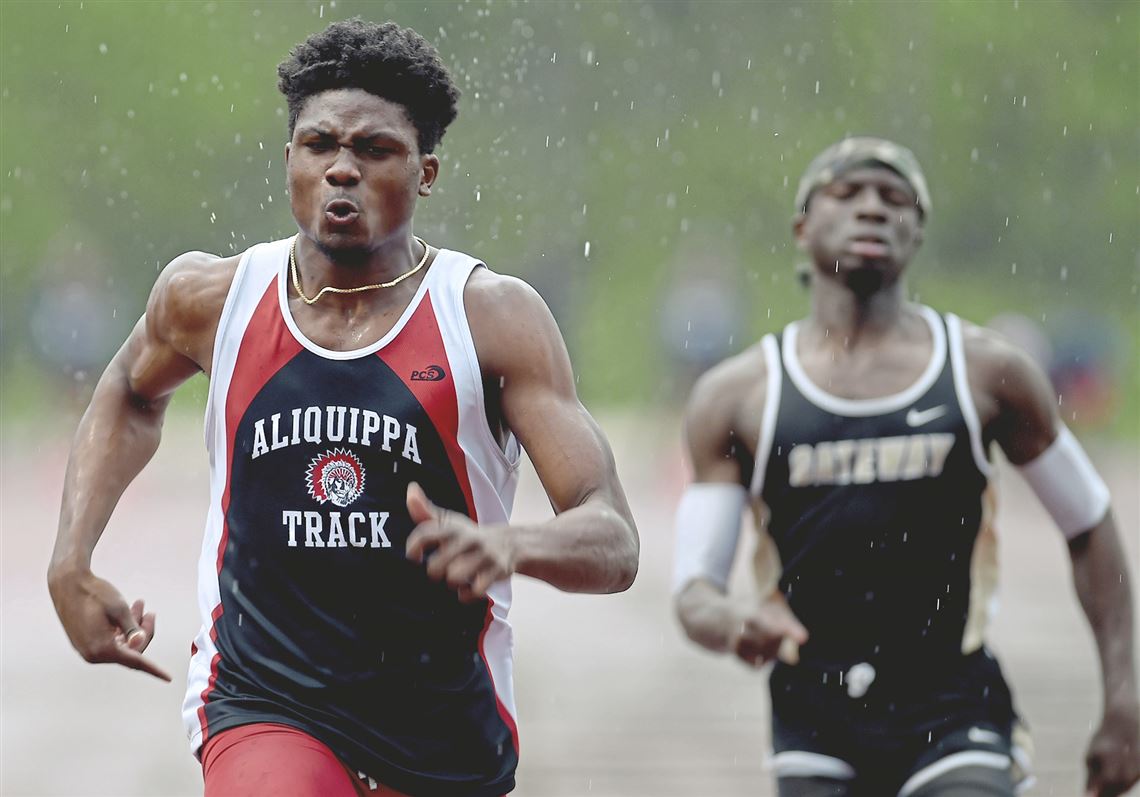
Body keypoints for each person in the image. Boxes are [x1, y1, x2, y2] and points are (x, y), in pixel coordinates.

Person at [47, 18, 639, 797]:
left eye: (374, 149)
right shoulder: (209, 299)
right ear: (288, 160)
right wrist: (71, 559)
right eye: (319, 144)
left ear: (426, 172)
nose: (341, 169)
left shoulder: (492, 318)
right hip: (261, 698)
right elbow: (127, 394)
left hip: (440, 722)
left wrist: (513, 545)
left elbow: (613, 536)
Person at [672, 137, 1138, 797]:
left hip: (954, 706)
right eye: (847, 193)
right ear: (802, 229)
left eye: (895, 199)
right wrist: (732, 622)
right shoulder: (739, 396)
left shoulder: (989, 374)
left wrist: (1124, 697)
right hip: (814, 714)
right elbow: (694, 590)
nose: (872, 209)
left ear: (917, 233)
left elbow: (1090, 524)